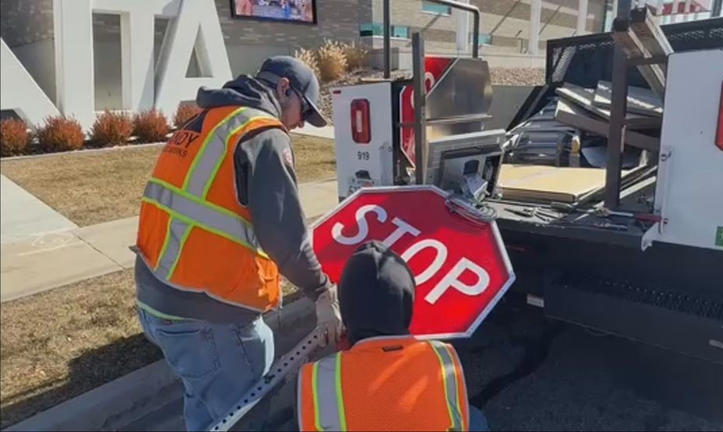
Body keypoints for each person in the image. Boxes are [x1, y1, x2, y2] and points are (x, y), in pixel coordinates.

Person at [133, 56, 342, 431]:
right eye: (302, 111)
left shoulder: (205, 122)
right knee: (243, 420)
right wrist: (322, 294)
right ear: (282, 89)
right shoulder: (263, 133)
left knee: (208, 413)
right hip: (210, 320)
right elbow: (286, 239)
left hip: (159, 301)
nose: (297, 124)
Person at [296, 241, 489, 431]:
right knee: (474, 417)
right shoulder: (443, 354)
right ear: (407, 303)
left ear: (346, 310)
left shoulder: (317, 375)